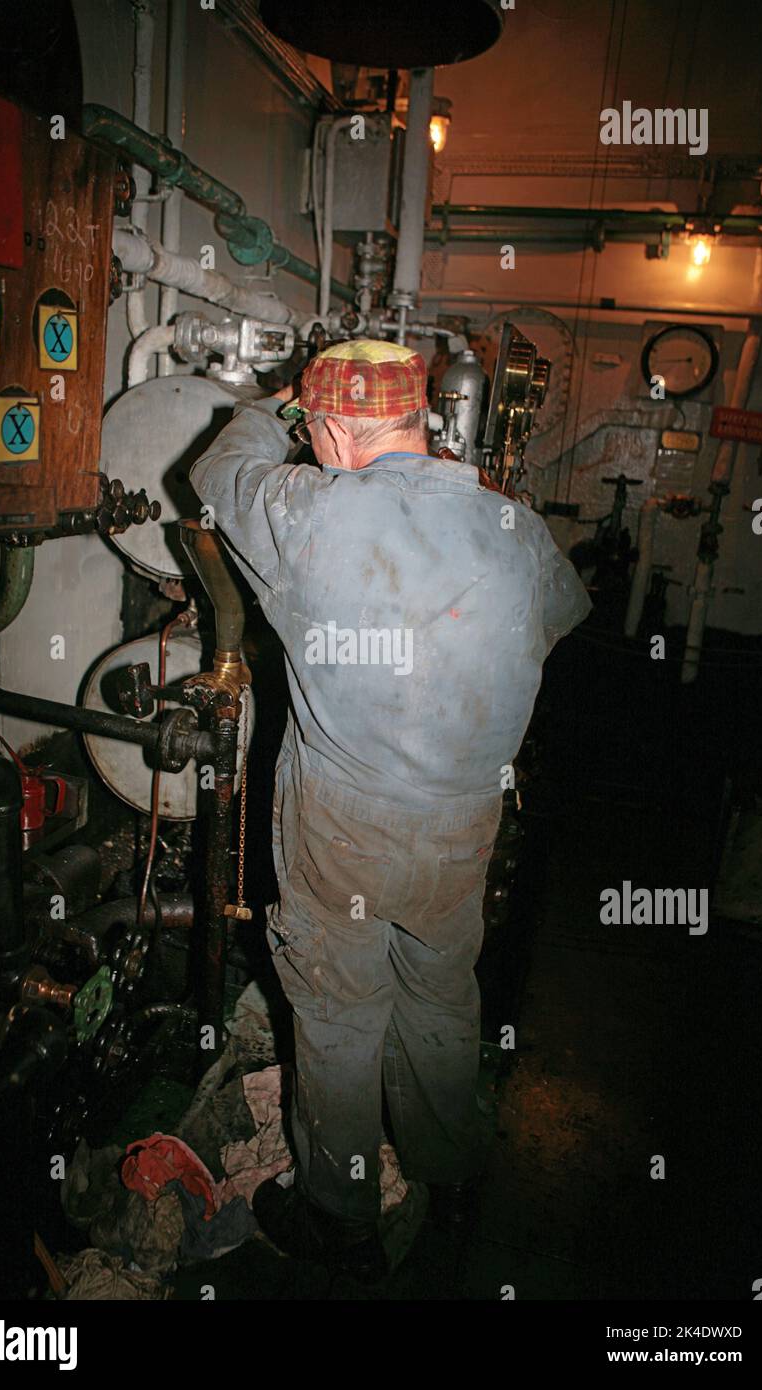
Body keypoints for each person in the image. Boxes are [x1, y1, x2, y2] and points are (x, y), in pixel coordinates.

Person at [190, 338, 591, 1283]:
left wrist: (272, 404)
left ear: (330, 427)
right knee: (441, 989)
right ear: (419, 418)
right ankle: (450, 1168)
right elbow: (559, 621)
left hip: (344, 826)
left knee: (338, 1011)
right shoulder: (517, 529)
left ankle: (340, 1215)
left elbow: (214, 469)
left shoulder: (305, 514)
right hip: (465, 821)